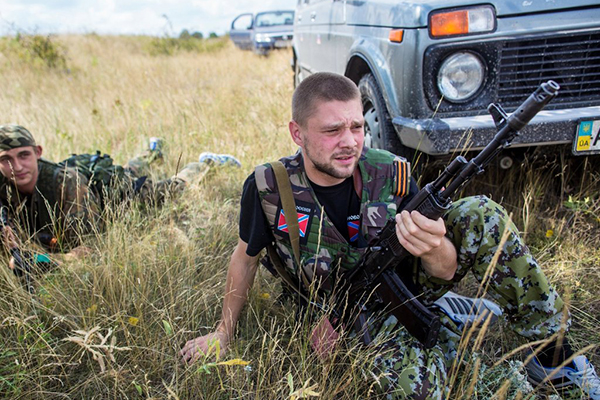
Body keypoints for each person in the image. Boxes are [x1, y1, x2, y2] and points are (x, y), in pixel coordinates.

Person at [180, 73, 600, 399]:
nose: (349, 143)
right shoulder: (269, 187)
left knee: (481, 214)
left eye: (357, 127)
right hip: (341, 309)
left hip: (407, 286)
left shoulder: (390, 170)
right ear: (297, 133)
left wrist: (434, 245)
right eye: (332, 131)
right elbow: (245, 258)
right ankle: (455, 322)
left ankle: (553, 357)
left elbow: (446, 267)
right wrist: (223, 332)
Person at [0, 124, 227, 270]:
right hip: (95, 185)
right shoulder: (4, 187)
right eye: (5, 159)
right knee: (130, 168)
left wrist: (42, 261)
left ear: (38, 152)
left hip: (116, 197)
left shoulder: (66, 183)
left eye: (24, 156)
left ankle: (205, 163)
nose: (16, 167)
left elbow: (91, 248)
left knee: (168, 189)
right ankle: (152, 152)